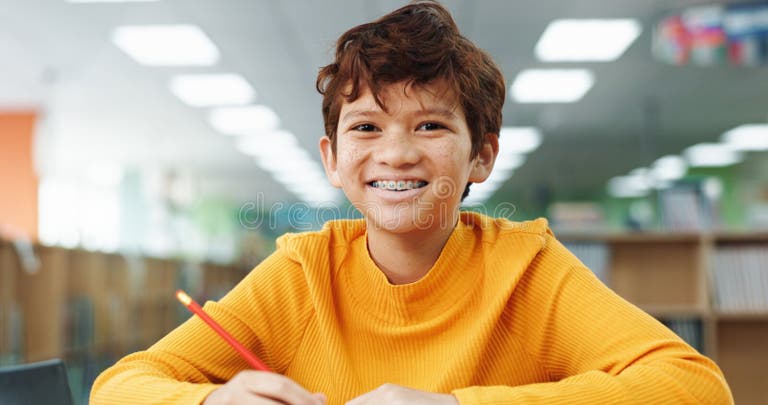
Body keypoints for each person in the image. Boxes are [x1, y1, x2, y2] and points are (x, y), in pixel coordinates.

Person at [91, 1, 733, 404]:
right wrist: (213, 403)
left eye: (430, 126)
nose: (396, 154)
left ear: (482, 155)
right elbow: (117, 387)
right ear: (332, 159)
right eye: (366, 127)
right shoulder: (302, 273)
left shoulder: (526, 268)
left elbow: (697, 388)